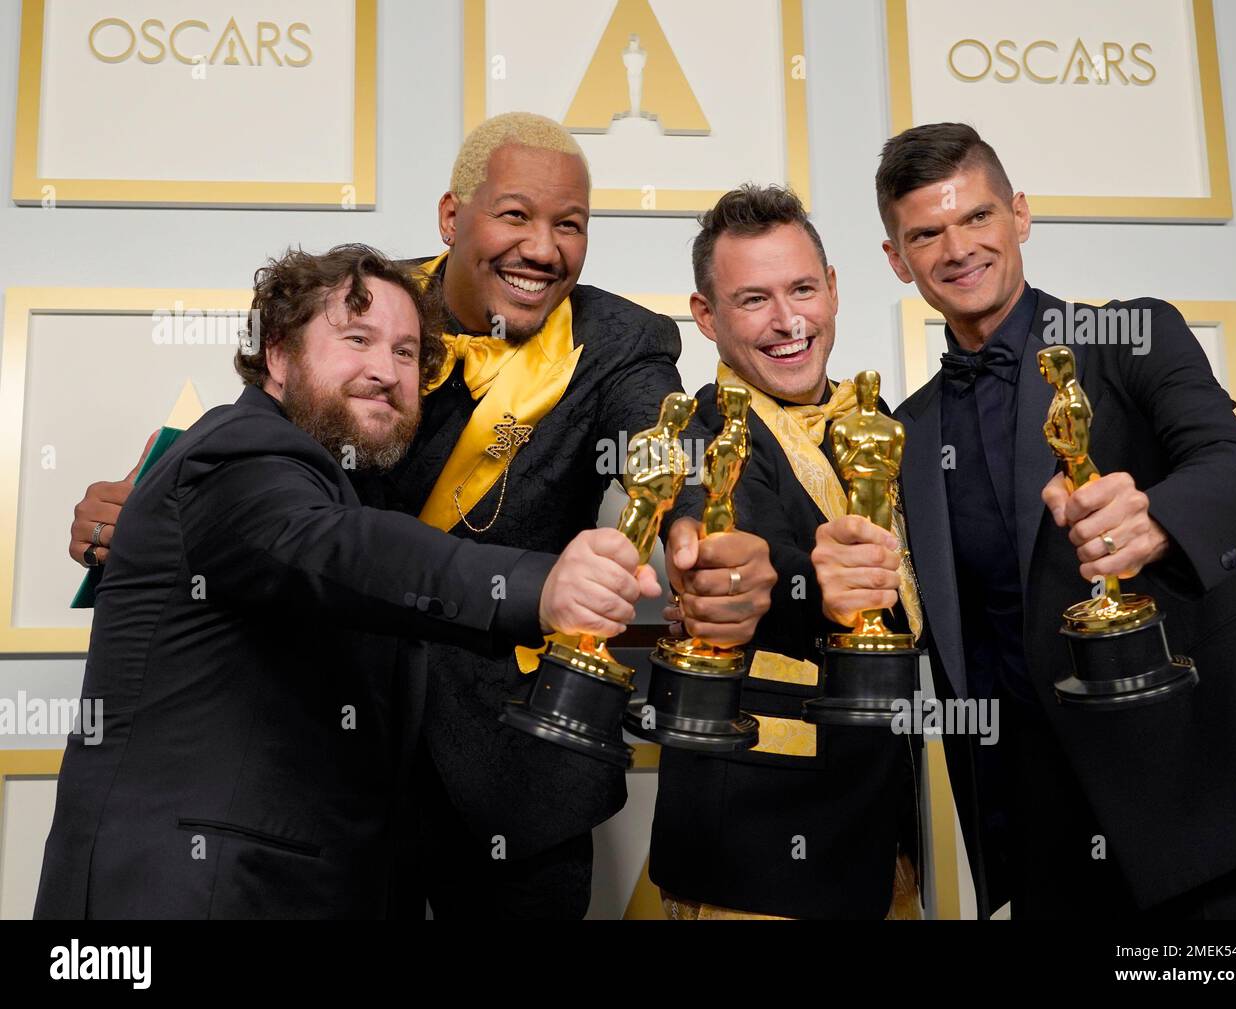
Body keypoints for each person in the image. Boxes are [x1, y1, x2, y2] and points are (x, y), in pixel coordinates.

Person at [69, 112, 776, 919]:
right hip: (334, 749)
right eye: (514, 214)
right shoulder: (376, 308)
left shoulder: (618, 339)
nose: (542, 248)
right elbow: (271, 464)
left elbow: (660, 442)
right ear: (452, 217)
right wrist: (155, 503)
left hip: (518, 765)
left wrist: (698, 531)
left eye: (569, 225)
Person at [38, 244, 659, 919]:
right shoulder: (239, 449)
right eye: (357, 338)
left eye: (405, 353)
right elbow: (341, 551)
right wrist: (538, 586)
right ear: (277, 353)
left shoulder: (335, 482)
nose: (386, 370)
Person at [817, 121, 1236, 918]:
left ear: (1021, 216)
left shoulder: (1128, 340)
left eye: (977, 217)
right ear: (897, 261)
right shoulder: (901, 435)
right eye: (927, 234)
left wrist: (1159, 520)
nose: (958, 248)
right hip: (1045, 844)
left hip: (1216, 806)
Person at [651, 185, 922, 919]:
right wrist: (800, 581)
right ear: (706, 315)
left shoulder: (881, 422)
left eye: (802, 287)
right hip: (755, 859)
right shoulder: (699, 435)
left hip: (888, 841)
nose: (788, 320)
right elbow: (723, 545)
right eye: (753, 299)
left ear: (833, 290)